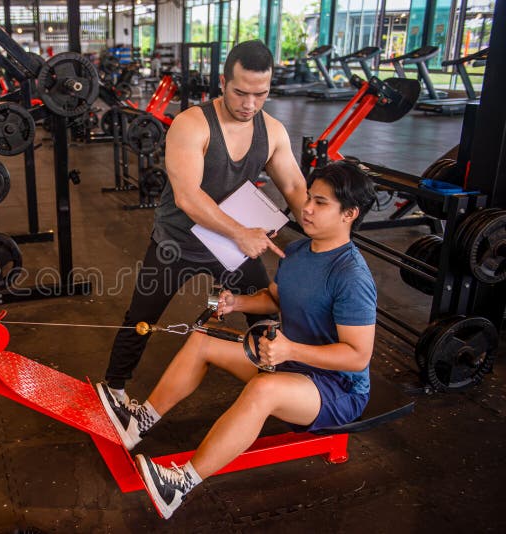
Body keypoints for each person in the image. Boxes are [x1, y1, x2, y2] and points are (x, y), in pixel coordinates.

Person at [96, 161, 378, 519]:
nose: (306, 208)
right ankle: (139, 423)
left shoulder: (351, 276)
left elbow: (357, 357)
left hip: (337, 388)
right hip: (292, 364)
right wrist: (238, 302)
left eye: (321, 203)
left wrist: (290, 348)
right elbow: (277, 298)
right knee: (203, 341)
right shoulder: (298, 252)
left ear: (349, 214)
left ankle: (179, 485)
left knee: (264, 390)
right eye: (309, 197)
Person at [102, 40, 307, 404]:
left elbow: (292, 184)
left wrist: (325, 233)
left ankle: (273, 383)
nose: (249, 104)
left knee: (266, 305)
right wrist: (242, 234)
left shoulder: (272, 131)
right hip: (177, 241)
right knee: (142, 316)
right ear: (223, 83)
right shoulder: (192, 124)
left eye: (260, 94)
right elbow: (188, 197)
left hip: (229, 246)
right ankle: (113, 387)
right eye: (240, 92)